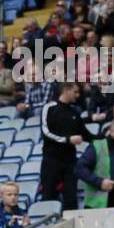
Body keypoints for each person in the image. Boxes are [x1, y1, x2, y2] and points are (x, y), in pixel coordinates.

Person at [40, 81, 87, 211]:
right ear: (66, 89)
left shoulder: (74, 112)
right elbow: (46, 131)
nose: (78, 95)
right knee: (48, 195)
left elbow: (85, 134)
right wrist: (67, 140)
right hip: (51, 160)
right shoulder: (50, 107)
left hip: (70, 160)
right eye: (75, 92)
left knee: (71, 197)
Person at [76, 117, 114, 208]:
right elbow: (79, 168)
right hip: (98, 206)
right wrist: (100, 182)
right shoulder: (98, 146)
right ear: (111, 131)